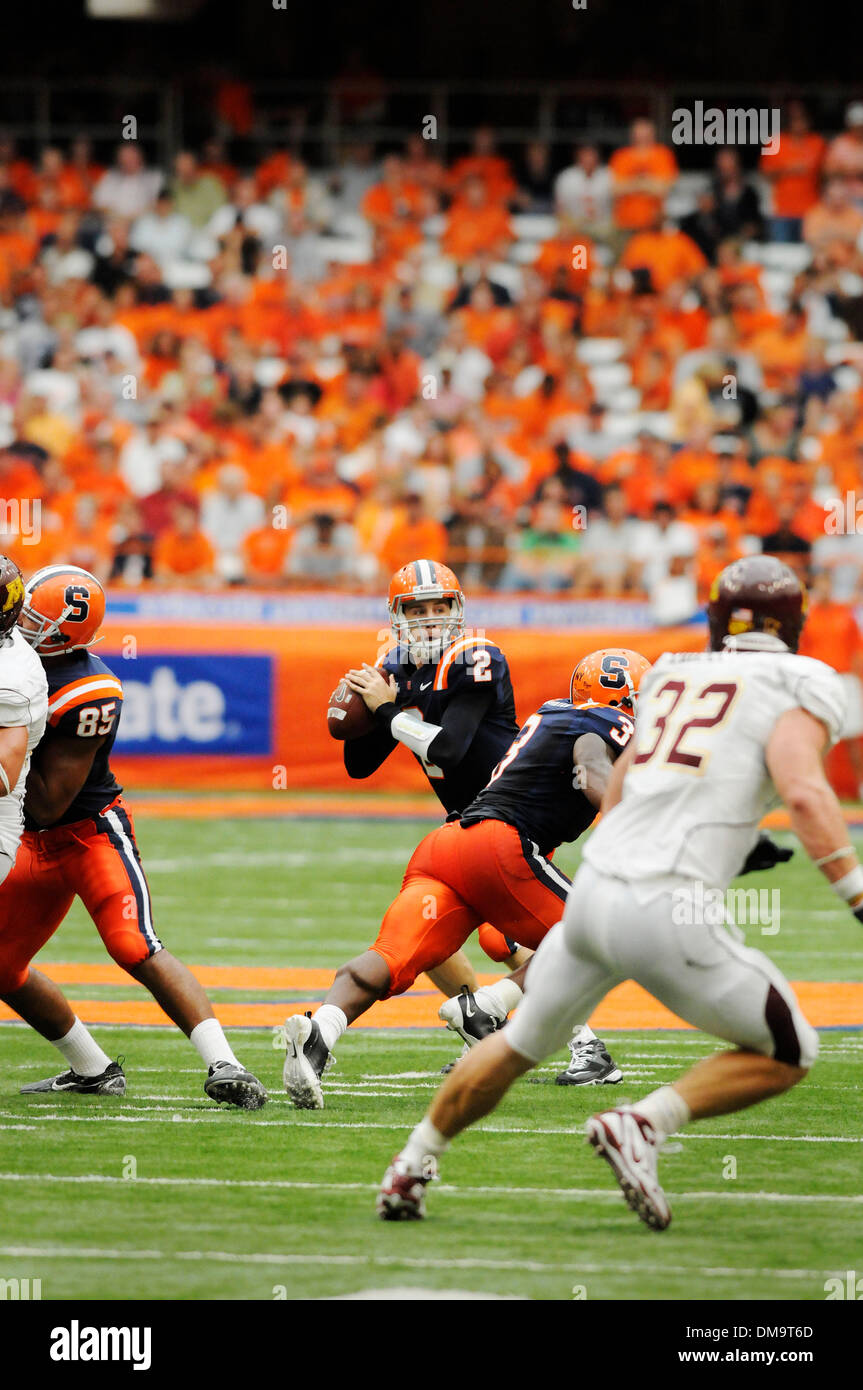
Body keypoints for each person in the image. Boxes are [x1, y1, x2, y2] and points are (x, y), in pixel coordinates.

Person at [376, 556, 838, 1230]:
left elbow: (622, 796)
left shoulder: (673, 676)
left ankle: (411, 1164)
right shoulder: (791, 683)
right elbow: (795, 789)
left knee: (515, 1044)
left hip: (596, 895)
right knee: (791, 1048)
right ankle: (643, 1123)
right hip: (657, 902)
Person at [285, 647, 653, 1110]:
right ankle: (488, 1006)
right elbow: (590, 769)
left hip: (445, 847)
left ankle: (320, 1031)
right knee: (604, 934)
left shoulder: (553, 712)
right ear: (622, 698)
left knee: (390, 957)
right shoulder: (604, 722)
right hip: (499, 847)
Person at [0, 565, 267, 1108]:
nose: (23, 624)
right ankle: (93, 1069)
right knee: (2, 966)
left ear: (64, 633)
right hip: (32, 839)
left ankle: (228, 1064)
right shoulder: (14, 660)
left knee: (134, 946)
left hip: (88, 831)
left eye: (36, 619)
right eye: (22, 611)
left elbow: (50, 799)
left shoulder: (86, 688)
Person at [283, 560, 533, 1105]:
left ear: (458, 610)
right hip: (466, 832)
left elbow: (449, 749)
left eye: (439, 607)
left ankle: (556, 1035)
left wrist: (388, 708)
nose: (429, 619)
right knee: (416, 944)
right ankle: (324, 1030)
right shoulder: (396, 668)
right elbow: (359, 765)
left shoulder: (475, 658)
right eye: (417, 610)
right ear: (396, 615)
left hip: (515, 820)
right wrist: (367, 713)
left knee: (482, 936)